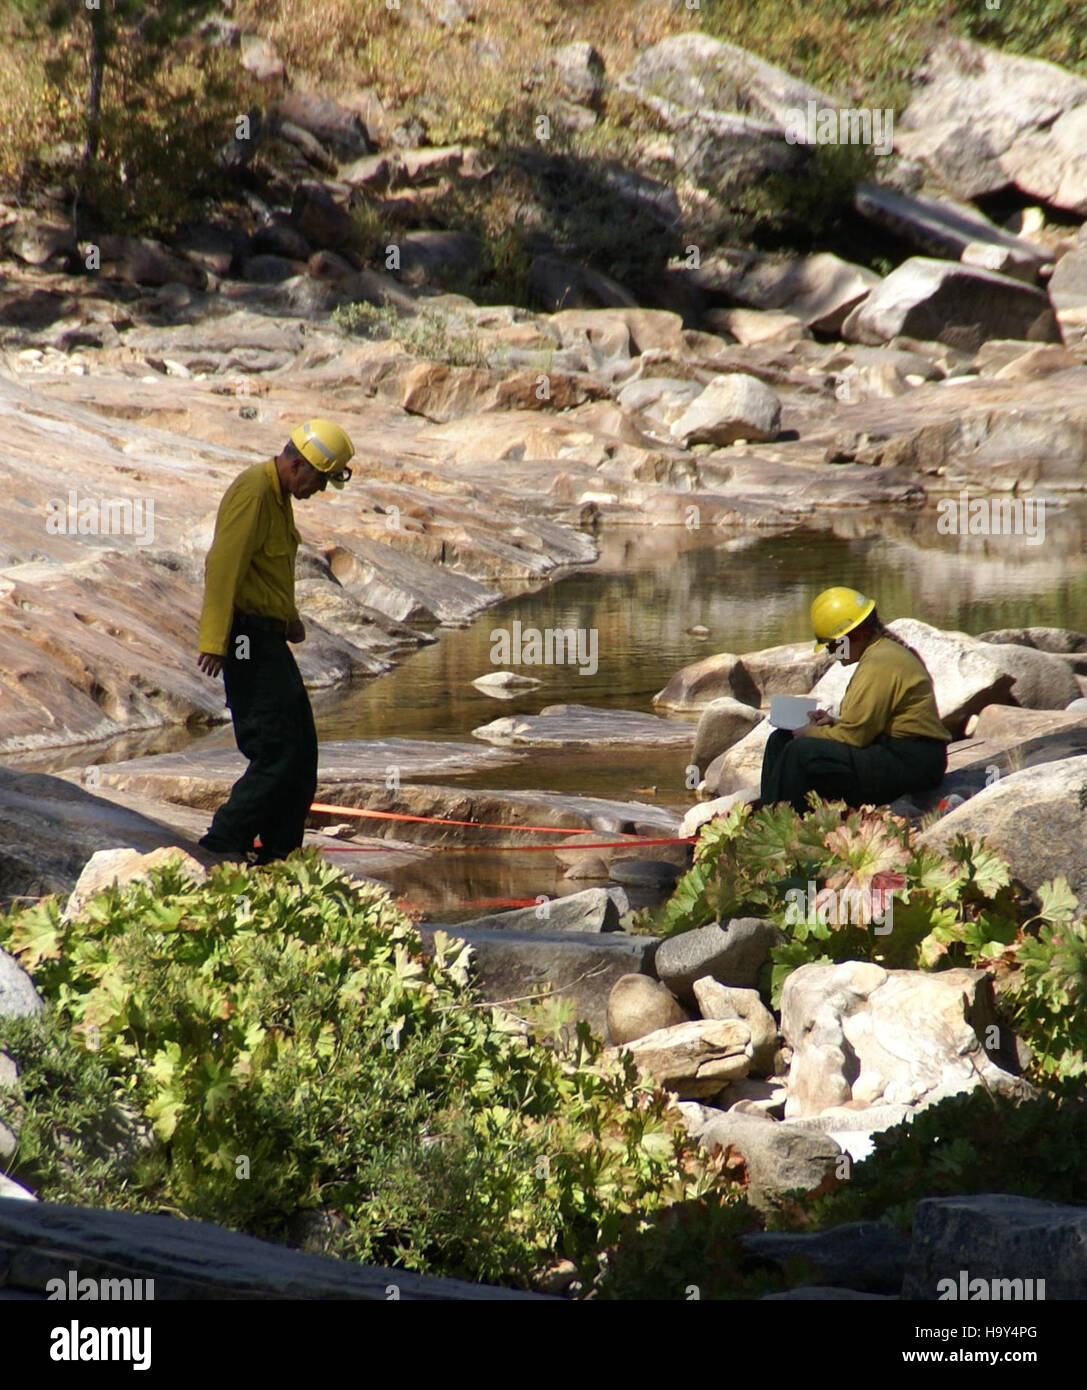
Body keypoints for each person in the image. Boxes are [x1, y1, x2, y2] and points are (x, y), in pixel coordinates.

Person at [196, 419, 355, 862]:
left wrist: (289, 618)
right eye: (320, 480)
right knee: (276, 748)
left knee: (301, 751)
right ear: (298, 465)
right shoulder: (254, 491)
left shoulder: (278, 495)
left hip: (268, 636)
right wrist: (214, 640)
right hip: (245, 640)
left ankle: (281, 853)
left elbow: (267, 571)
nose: (320, 490)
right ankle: (222, 843)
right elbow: (223, 565)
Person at [758, 586, 950, 814]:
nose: (832, 651)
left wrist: (810, 732)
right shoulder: (878, 654)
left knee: (800, 752)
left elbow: (856, 736)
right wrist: (832, 723)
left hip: (913, 763)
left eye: (833, 644)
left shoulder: (880, 662)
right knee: (780, 740)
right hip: (891, 751)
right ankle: (768, 817)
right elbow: (865, 726)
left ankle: (780, 825)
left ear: (856, 635)